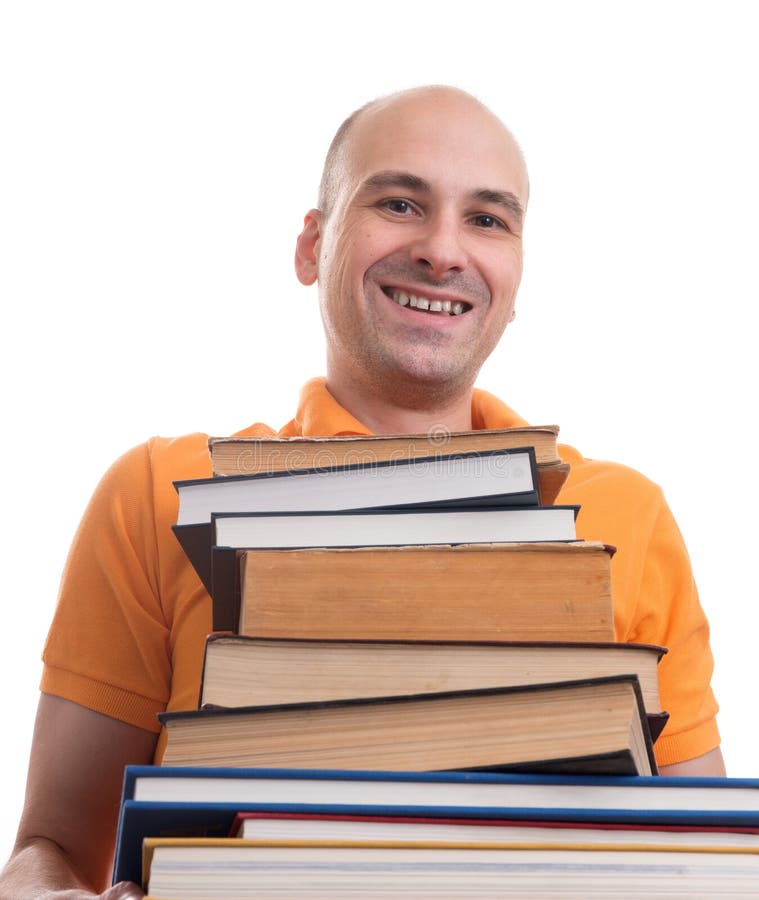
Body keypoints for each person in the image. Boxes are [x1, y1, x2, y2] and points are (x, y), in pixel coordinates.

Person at [0, 85, 725, 899]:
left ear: (516, 278)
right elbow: (49, 848)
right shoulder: (158, 495)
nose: (442, 251)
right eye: (399, 202)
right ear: (312, 245)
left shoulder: (625, 513)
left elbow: (700, 860)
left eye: (487, 219)